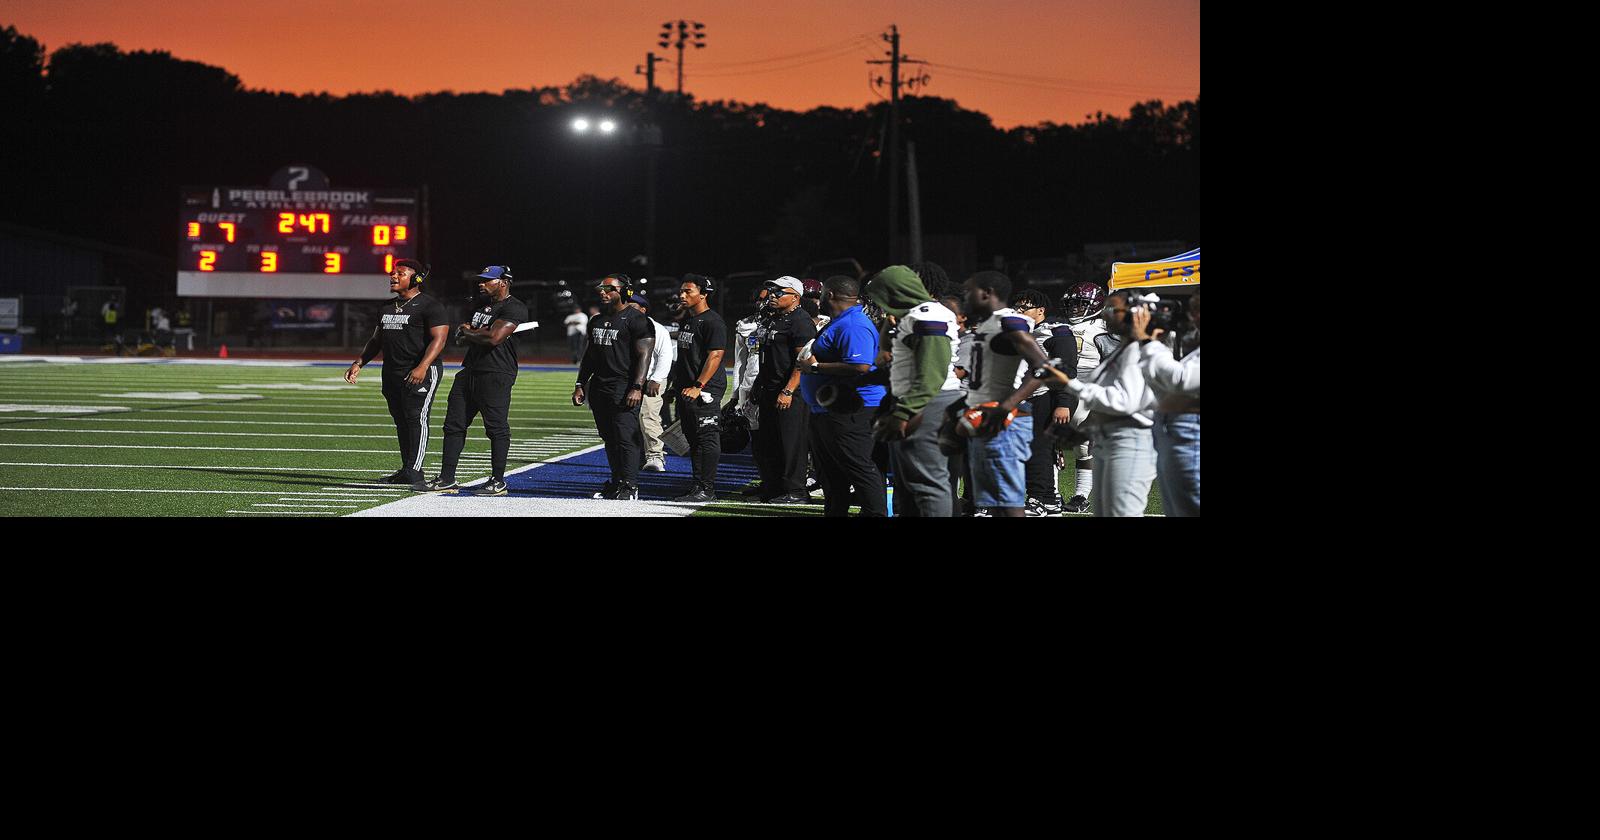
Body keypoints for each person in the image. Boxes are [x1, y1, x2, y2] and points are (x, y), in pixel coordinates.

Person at [418, 264, 529, 495]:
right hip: (470, 369)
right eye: (481, 279)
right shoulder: (482, 306)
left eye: (487, 280)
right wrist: (470, 333)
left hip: (496, 373)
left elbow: (493, 338)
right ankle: (447, 478)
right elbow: (462, 339)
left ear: (503, 282)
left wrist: (468, 332)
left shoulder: (515, 307)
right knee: (453, 424)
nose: (481, 283)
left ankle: (498, 481)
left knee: (496, 428)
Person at [866, 265, 964, 518]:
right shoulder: (916, 315)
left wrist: (904, 412)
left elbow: (932, 373)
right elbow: (888, 358)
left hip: (928, 404)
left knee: (928, 482)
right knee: (908, 484)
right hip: (919, 401)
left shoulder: (927, 316)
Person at [344, 258, 449, 486]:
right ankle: (406, 468)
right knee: (401, 420)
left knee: (416, 419)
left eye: (400, 273)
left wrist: (422, 366)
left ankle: (415, 470)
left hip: (420, 371)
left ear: (416, 278)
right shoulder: (386, 307)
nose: (393, 276)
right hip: (391, 372)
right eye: (393, 272)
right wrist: (359, 363)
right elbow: (376, 340)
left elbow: (439, 340)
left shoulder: (431, 306)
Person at [1056, 290, 1159, 517]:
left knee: (1122, 512)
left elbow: (1124, 402)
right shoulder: (1122, 349)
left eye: (1114, 310)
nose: (1107, 316)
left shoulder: (1140, 350)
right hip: (1109, 440)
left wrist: (1070, 385)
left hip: (1129, 443)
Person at [958, 271, 1052, 518]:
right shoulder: (986, 323)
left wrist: (1006, 404)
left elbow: (1044, 368)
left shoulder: (1009, 320)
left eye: (969, 291)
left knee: (1008, 500)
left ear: (987, 293)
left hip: (1005, 419)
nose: (965, 296)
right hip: (983, 414)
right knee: (992, 499)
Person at [798, 274, 888, 517]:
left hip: (851, 410)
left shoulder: (853, 324)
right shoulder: (841, 321)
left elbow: (860, 366)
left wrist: (815, 368)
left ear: (830, 294)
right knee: (831, 476)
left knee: (859, 468)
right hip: (827, 410)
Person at [573, 273, 655, 500]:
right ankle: (617, 480)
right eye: (601, 288)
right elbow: (589, 356)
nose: (603, 292)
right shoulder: (596, 320)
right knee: (609, 437)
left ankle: (630, 485)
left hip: (623, 386)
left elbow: (644, 356)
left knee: (625, 436)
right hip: (599, 387)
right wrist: (580, 383)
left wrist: (637, 386)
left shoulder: (637, 320)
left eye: (609, 288)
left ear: (625, 291)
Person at [1008, 290, 1078, 516]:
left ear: (1040, 310)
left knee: (1039, 449)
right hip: (1029, 398)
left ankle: (1042, 498)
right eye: (1017, 307)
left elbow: (1066, 370)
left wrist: (1063, 402)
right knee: (1032, 449)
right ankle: (1047, 498)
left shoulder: (1057, 331)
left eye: (1024, 307)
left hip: (1047, 397)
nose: (1020, 311)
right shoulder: (1026, 330)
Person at [750, 277, 817, 504]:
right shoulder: (773, 319)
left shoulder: (801, 321)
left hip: (790, 392)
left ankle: (797, 491)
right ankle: (775, 487)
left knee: (792, 443)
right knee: (771, 441)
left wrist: (788, 390)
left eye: (780, 292)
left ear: (795, 297)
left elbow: (803, 360)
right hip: (769, 388)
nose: (773, 295)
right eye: (772, 290)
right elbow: (767, 357)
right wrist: (758, 384)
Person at [1133, 292, 1200, 517]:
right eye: (1193, 309)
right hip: (1176, 431)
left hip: (1191, 434)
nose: (1193, 316)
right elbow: (1165, 384)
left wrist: (1148, 342)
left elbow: (1181, 380)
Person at [669, 273, 727, 503]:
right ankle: (697, 485)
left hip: (704, 390)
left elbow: (715, 356)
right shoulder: (688, 320)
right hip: (687, 388)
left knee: (706, 438)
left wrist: (698, 385)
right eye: (681, 291)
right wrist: (676, 386)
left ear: (703, 294)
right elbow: (685, 358)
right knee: (693, 439)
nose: (682, 295)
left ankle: (707, 488)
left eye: (688, 291)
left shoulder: (713, 321)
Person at [1059, 281, 1116, 514]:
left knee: (1084, 448)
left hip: (1086, 391)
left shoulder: (1103, 329)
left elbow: (1113, 366)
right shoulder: (1058, 325)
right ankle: (1049, 494)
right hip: (1059, 390)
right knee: (1050, 444)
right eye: (1072, 304)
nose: (1074, 309)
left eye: (1081, 304)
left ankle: (1081, 496)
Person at [627, 293, 673, 472]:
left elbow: (665, 355)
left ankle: (655, 456)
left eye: (633, 307)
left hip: (650, 380)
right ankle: (636, 456)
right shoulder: (624, 324)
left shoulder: (656, 328)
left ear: (643, 309)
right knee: (629, 420)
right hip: (629, 380)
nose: (628, 309)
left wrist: (656, 379)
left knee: (648, 417)